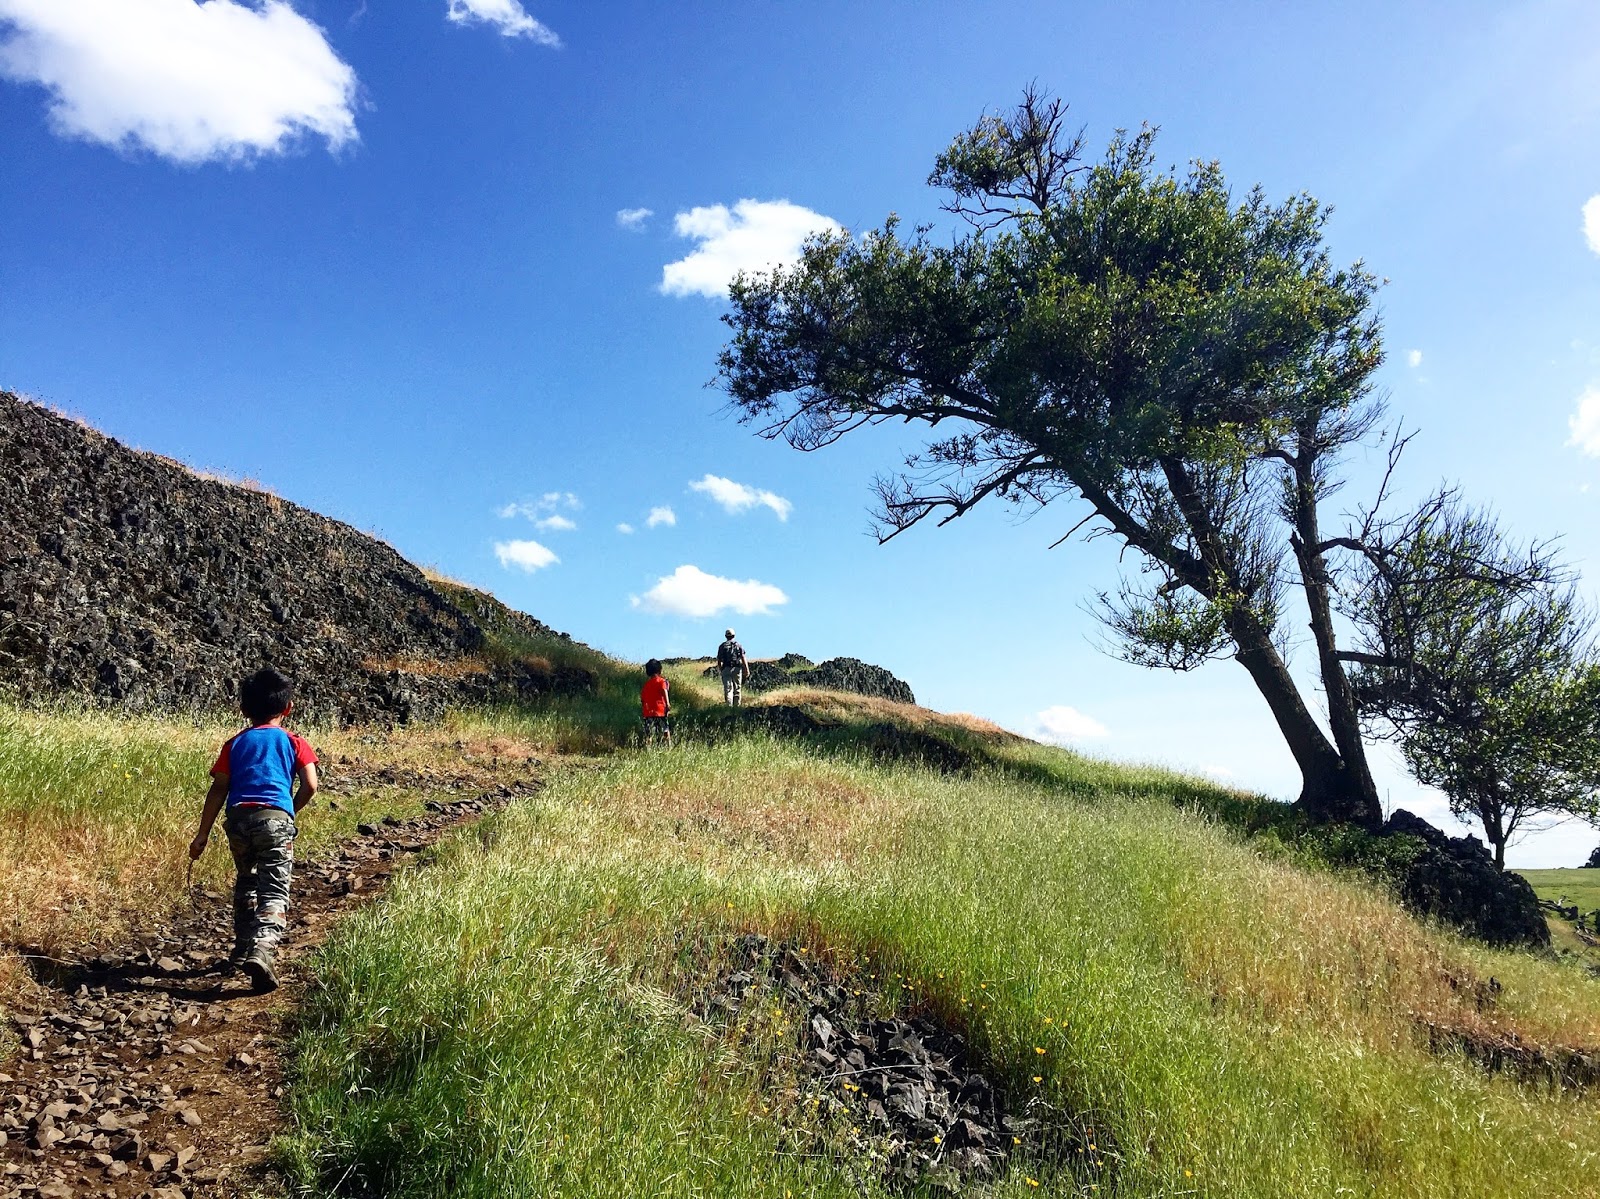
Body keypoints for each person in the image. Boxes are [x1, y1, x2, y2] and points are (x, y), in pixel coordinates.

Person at [188, 666, 318, 992]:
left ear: (243, 710)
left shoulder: (234, 744)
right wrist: (289, 812)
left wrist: (202, 834)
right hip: (275, 821)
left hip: (237, 821)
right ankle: (262, 949)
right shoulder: (294, 742)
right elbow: (311, 785)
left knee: (247, 881)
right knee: (273, 889)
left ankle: (242, 948)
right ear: (288, 708)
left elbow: (218, 788)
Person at [641, 658, 672, 745]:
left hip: (648, 712)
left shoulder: (646, 685)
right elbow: (664, 691)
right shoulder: (662, 681)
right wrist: (668, 705)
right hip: (660, 711)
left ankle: (648, 748)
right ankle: (668, 747)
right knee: (665, 730)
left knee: (649, 734)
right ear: (659, 670)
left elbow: (643, 700)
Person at [716, 628, 750, 707]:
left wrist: (721, 670)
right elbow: (743, 657)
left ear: (725, 636)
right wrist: (746, 669)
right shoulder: (738, 645)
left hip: (726, 669)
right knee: (737, 689)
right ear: (734, 636)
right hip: (737, 669)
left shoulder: (722, 646)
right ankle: (736, 707)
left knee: (728, 689)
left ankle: (729, 707)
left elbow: (719, 660)